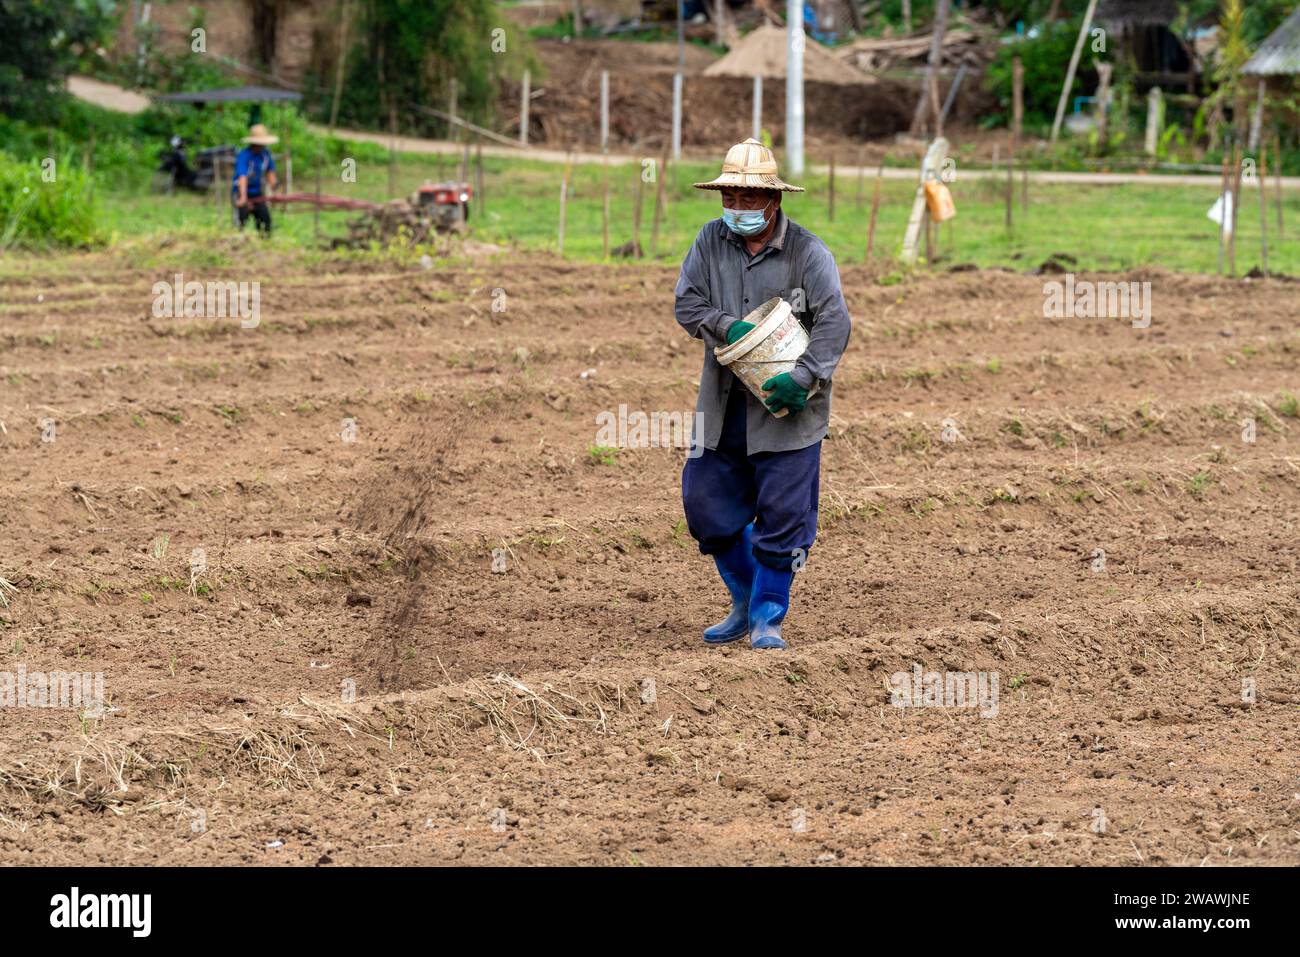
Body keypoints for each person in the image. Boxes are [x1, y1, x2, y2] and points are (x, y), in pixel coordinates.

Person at [675, 138, 852, 651]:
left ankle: (768, 616)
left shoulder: (808, 253)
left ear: (774, 200)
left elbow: (834, 321)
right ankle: (747, 600)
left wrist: (803, 379)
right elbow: (687, 304)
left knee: (783, 514)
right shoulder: (710, 241)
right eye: (730, 197)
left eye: (749, 199)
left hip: (789, 408)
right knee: (704, 504)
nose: (738, 208)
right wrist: (724, 326)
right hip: (724, 400)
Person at [232, 124, 279, 235]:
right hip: (241, 192)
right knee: (241, 221)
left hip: (257, 193)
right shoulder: (244, 156)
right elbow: (242, 177)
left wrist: (275, 188)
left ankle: (264, 238)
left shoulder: (265, 155)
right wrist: (243, 198)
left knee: (265, 220)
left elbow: (270, 173)